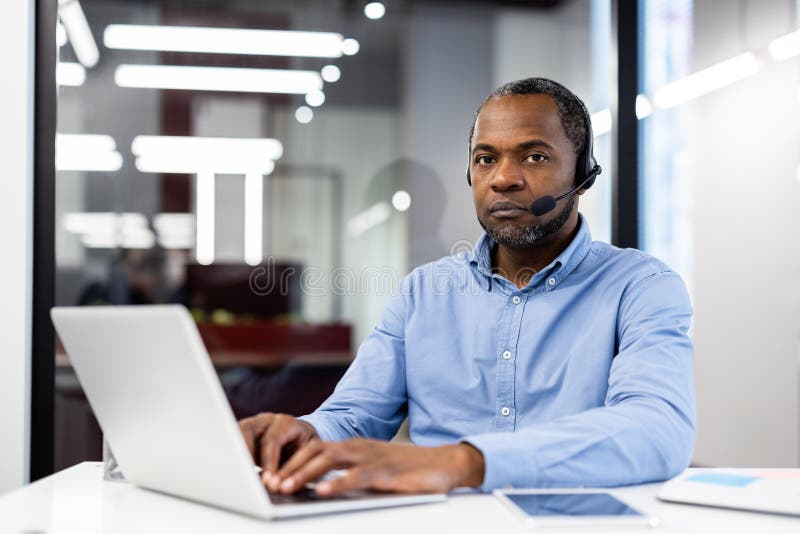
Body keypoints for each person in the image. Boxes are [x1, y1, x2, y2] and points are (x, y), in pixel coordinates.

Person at [238, 78, 695, 497]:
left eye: (534, 156)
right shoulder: (423, 292)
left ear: (582, 175)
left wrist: (464, 463)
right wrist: (306, 434)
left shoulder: (642, 287)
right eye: (486, 158)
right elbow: (354, 415)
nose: (503, 178)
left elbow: (657, 429)